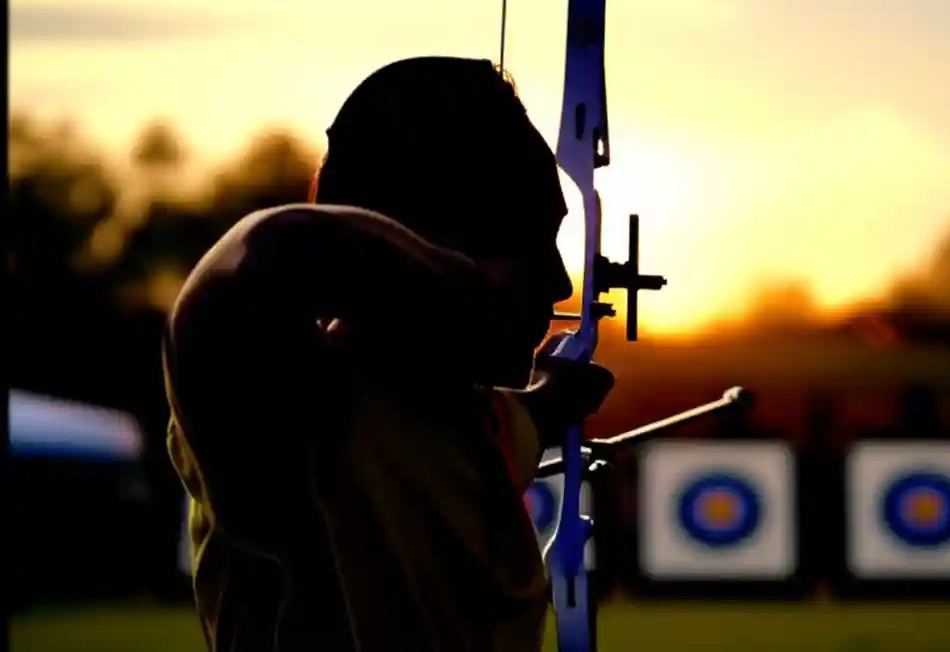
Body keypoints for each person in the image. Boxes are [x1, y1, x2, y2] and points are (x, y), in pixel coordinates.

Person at [162, 56, 614, 651]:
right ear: (427, 234)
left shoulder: (473, 419)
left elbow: (505, 424)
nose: (558, 282)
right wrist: (467, 296)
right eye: (526, 240)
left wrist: (551, 399)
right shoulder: (290, 401)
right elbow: (274, 248)